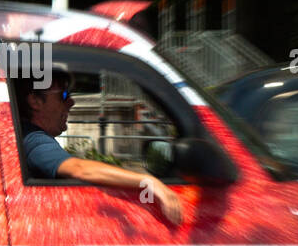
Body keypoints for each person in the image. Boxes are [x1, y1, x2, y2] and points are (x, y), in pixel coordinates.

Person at [14, 70, 184, 224]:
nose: (71, 102)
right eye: (64, 95)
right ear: (35, 101)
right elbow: (78, 168)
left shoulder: (26, 135)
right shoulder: (33, 140)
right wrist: (149, 182)